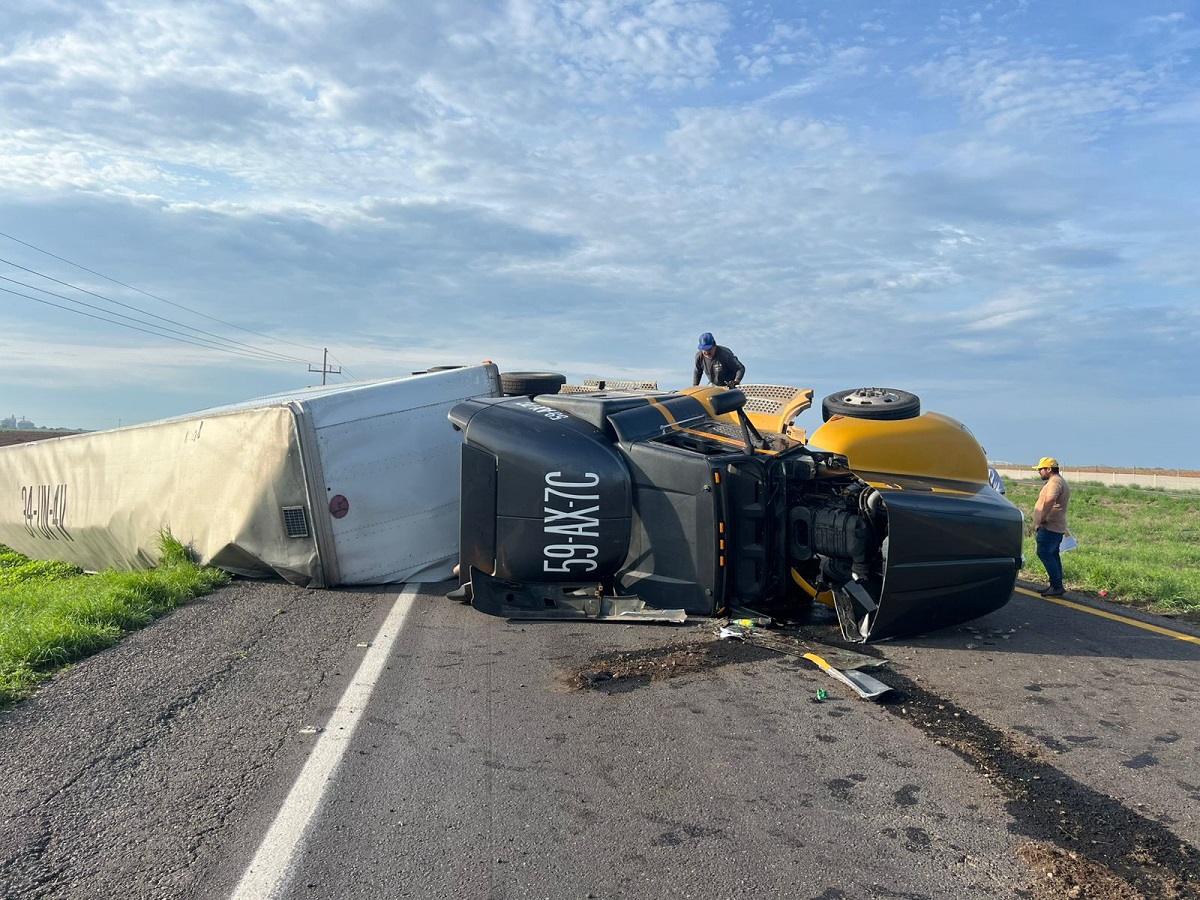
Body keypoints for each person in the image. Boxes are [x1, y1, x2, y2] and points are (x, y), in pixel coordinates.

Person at [1032, 456, 1071, 597]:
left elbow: (1049, 500)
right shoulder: (1058, 481)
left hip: (1050, 526)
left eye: (1041, 469)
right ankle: (1055, 585)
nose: (1039, 472)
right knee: (1053, 554)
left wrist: (1041, 519)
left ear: (1049, 469)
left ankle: (1056, 585)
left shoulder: (1055, 483)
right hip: (1055, 526)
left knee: (1044, 553)